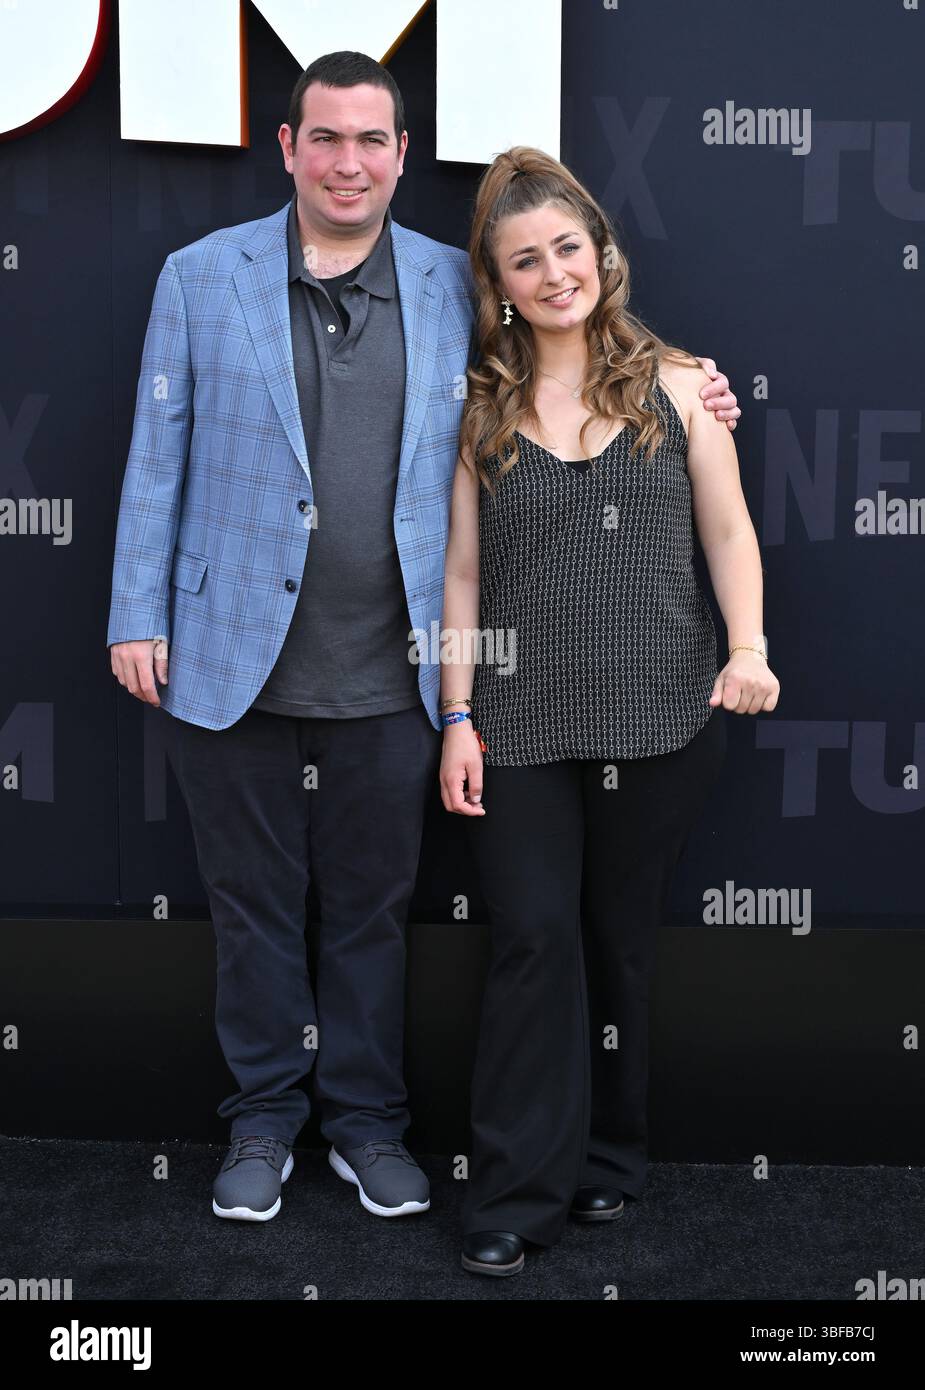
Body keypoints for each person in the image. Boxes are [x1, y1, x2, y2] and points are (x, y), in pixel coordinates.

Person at [107, 52, 741, 1227]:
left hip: (398, 665)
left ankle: (363, 1123)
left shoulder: (460, 283)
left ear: (403, 158)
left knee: (369, 910)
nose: (350, 161)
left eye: (373, 141)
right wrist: (135, 611)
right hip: (224, 652)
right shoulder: (199, 278)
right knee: (251, 909)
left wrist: (695, 385)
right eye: (327, 138)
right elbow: (159, 453)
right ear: (289, 147)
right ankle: (258, 1125)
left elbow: (577, 349)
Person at [439, 146, 779, 1277]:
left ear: (602, 254)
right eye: (524, 260)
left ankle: (611, 1163)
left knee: (614, 947)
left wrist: (747, 649)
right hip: (520, 727)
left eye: (566, 249)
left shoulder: (682, 388)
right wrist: (454, 712)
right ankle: (512, 1194)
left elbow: (727, 532)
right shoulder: (479, 408)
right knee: (532, 942)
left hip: (663, 718)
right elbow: (461, 579)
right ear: (497, 281)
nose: (552, 274)